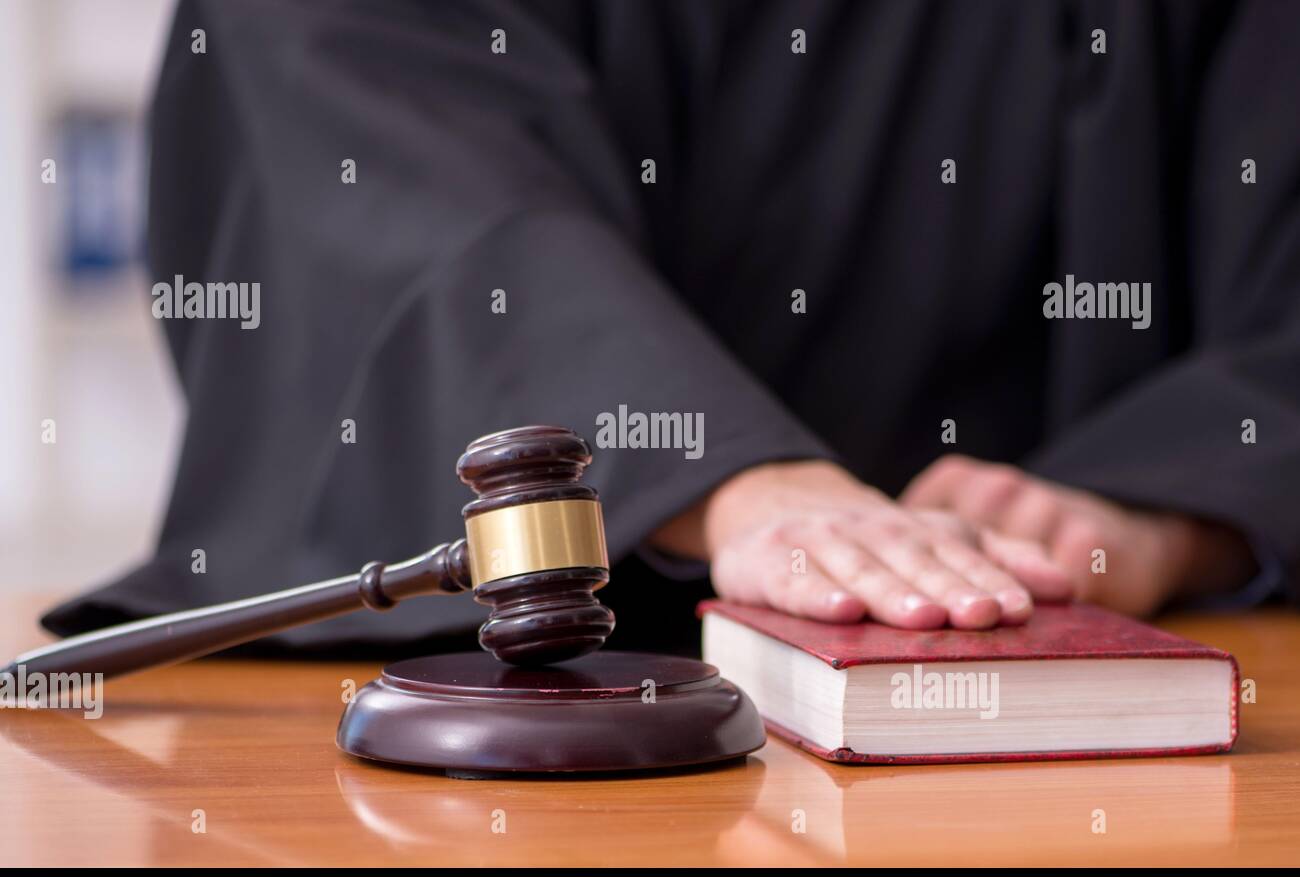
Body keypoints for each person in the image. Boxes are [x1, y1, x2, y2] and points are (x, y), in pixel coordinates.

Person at [43, 0, 1299, 658]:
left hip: (1040, 636)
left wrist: (1167, 513)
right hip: (553, 653)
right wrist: (723, 477)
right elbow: (339, 99)